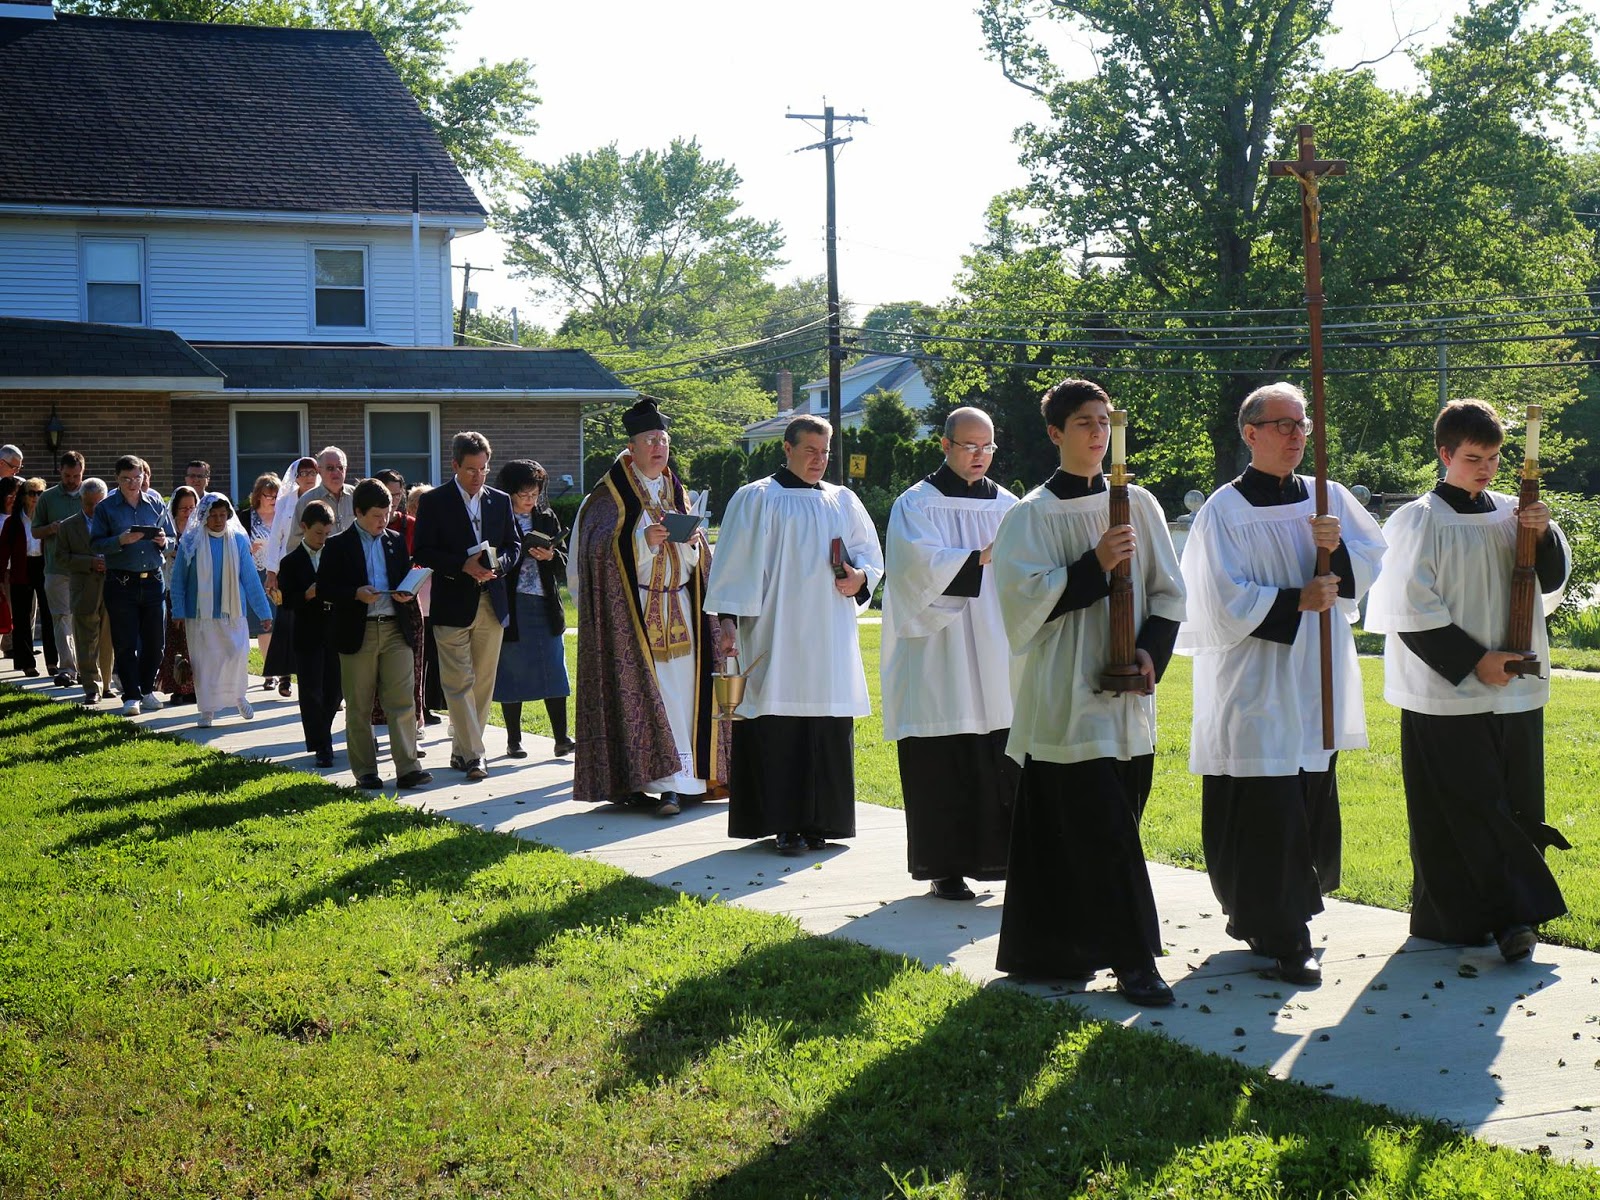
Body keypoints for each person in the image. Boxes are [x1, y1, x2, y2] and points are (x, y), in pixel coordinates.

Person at [1176, 381, 1386, 986]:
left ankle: (1278, 918)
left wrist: (1336, 549)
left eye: (1302, 425)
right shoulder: (1224, 511)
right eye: (1284, 424)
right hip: (1254, 676)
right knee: (1263, 796)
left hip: (1315, 670)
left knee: (1306, 791)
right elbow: (1215, 601)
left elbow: (1372, 559)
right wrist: (1298, 599)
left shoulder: (1330, 497)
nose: (1298, 435)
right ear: (1251, 434)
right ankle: (1281, 930)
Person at [989, 379, 1187, 1005]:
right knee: (1103, 830)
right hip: (1065, 694)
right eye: (1083, 422)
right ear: (1055, 433)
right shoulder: (1030, 515)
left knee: (1105, 824)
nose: (1099, 432)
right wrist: (1095, 563)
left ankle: (1053, 948)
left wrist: (1151, 655)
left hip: (1127, 694)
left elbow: (1168, 593)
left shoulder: (1142, 505)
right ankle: (1134, 960)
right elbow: (1023, 610)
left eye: (1105, 421)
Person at [1365, 399, 1570, 962]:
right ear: (1445, 454)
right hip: (1446, 688)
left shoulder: (1516, 512)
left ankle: (1510, 917)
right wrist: (1475, 660)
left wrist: (1544, 535)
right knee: (1464, 806)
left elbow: (1549, 583)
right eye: (1474, 458)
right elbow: (1408, 606)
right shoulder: (1417, 520)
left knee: (1515, 800)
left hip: (1518, 685)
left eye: (1495, 458)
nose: (1487, 469)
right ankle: (1478, 919)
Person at [706, 414, 885, 856]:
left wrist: (859, 578)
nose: (819, 460)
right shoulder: (756, 498)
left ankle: (823, 821)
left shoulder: (843, 500)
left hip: (829, 636)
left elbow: (870, 557)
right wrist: (728, 623)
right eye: (810, 450)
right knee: (777, 725)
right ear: (786, 449)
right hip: (774, 632)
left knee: (825, 726)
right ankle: (783, 824)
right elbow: (731, 565)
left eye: (825, 452)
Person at [881, 407, 1019, 899]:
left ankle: (1001, 859)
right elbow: (912, 572)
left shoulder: (1008, 504)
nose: (980, 455)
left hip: (997, 644)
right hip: (938, 649)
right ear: (945, 445)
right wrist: (978, 557)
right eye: (969, 446)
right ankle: (944, 866)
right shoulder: (916, 504)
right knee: (943, 758)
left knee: (1000, 751)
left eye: (987, 447)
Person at [575, 399, 727, 814]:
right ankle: (659, 782)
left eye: (663, 440)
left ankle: (689, 778)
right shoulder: (609, 496)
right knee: (652, 695)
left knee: (684, 695)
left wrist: (693, 544)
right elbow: (594, 550)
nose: (659, 447)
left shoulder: (674, 488)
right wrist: (643, 543)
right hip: (634, 612)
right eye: (650, 440)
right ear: (632, 446)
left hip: (680, 605)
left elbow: (698, 555)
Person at [413, 431, 515, 781]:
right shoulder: (435, 502)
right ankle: (475, 756)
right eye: (471, 469)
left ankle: (463, 750)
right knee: (458, 682)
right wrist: (462, 565)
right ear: (455, 465)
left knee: (483, 684)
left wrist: (497, 564)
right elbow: (422, 551)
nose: (478, 476)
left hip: (492, 602)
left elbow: (513, 545)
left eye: (484, 469)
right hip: (452, 603)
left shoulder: (500, 501)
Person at [317, 478, 431, 790]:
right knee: (359, 706)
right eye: (376, 516)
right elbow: (325, 588)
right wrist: (355, 593)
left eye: (388, 514)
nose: (383, 522)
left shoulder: (395, 541)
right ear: (358, 512)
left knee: (402, 702)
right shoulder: (338, 545)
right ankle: (366, 771)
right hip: (359, 632)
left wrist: (407, 591)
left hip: (395, 628)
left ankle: (408, 768)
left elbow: (401, 577)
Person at [170, 494, 274, 727]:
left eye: (222, 515)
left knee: (236, 654)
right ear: (204, 516)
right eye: (213, 515)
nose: (218, 520)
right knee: (205, 663)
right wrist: (177, 609)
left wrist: (264, 612)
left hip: (233, 611)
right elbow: (178, 579)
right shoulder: (191, 542)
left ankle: (238, 696)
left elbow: (250, 579)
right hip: (200, 614)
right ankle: (207, 710)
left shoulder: (237, 539)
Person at [495, 459, 574, 759]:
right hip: (512, 603)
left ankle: (561, 737)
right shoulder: (499, 516)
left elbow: (562, 563)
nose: (530, 500)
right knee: (512, 671)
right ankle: (513, 740)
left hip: (544, 602)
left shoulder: (546, 516)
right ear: (510, 491)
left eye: (535, 493)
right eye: (524, 494)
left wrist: (549, 555)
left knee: (554, 668)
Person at [89, 455, 177, 716]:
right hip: (121, 581)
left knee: (155, 642)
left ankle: (147, 689)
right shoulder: (106, 508)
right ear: (117, 479)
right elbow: (95, 544)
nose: (133, 483)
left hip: (153, 579)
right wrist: (121, 540)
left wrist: (164, 542)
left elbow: (172, 538)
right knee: (126, 641)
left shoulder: (155, 502)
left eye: (137, 478)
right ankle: (131, 695)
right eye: (127, 479)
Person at [274, 499, 342, 767]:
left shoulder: (335, 553)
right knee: (312, 691)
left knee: (335, 691)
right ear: (304, 527)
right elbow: (287, 601)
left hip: (335, 631)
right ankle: (321, 744)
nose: (322, 539)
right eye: (317, 533)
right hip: (307, 633)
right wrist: (308, 594)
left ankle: (322, 733)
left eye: (327, 533)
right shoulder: (290, 562)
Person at [369, 469, 426, 738]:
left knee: (408, 674)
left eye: (396, 496)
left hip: (406, 606)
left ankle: (413, 728)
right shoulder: (361, 534)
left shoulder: (410, 526)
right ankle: (373, 729)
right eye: (385, 496)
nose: (390, 505)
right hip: (372, 612)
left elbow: (421, 560)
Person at [59, 478, 118, 705]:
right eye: (89, 503)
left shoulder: (113, 524)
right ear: (81, 501)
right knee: (85, 640)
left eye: (98, 503)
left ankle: (106, 685)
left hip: (111, 586)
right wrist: (89, 562)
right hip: (84, 589)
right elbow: (61, 558)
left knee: (107, 638)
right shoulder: (68, 526)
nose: (93, 509)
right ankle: (90, 687)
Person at [36, 451, 86, 687]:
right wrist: (51, 529)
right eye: (67, 476)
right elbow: (36, 531)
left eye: (76, 476)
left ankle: (88, 668)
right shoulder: (47, 498)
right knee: (61, 618)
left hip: (86, 568)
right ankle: (67, 668)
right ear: (60, 472)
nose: (72, 481)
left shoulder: (90, 496)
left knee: (86, 619)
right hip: (56, 567)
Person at [0, 477, 55, 677]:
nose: (36, 498)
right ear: (23, 497)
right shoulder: (13, 521)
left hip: (44, 566)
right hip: (21, 568)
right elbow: (3, 550)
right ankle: (26, 663)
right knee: (22, 618)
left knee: (50, 615)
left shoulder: (48, 519)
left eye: (40, 493)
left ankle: (52, 662)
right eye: (32, 493)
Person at [245, 472, 293, 697]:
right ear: (258, 496)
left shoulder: (284, 516)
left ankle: (283, 672)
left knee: (282, 624)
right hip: (255, 575)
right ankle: (268, 672)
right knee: (264, 625)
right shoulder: (246, 518)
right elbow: (234, 545)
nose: (273, 499)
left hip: (281, 575)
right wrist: (248, 548)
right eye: (268, 495)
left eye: (276, 495)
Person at [156, 487, 200, 706]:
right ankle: (177, 687)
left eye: (192, 507)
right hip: (173, 589)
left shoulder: (199, 528)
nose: (188, 512)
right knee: (175, 640)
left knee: (192, 642)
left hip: (196, 592)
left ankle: (193, 687)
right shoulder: (167, 528)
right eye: (183, 508)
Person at [294, 447, 356, 533]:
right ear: (319, 471)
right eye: (330, 468)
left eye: (340, 467)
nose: (336, 472)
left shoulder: (356, 495)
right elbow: (295, 541)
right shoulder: (306, 501)